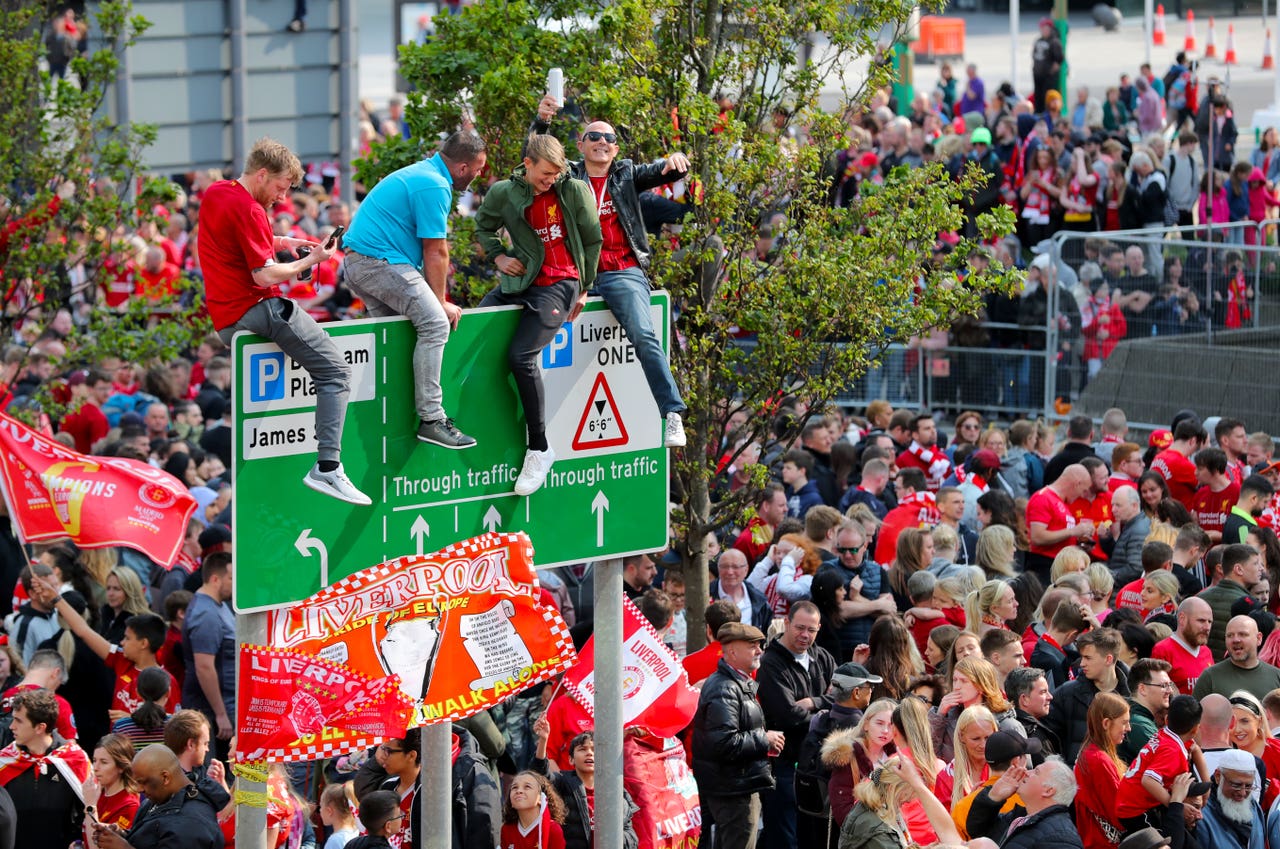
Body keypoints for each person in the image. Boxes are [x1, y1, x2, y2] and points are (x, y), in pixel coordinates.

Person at [197, 137, 370, 504]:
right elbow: (264, 276)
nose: (281, 197)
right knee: (336, 372)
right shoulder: (251, 209)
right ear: (262, 175)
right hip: (257, 308)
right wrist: (312, 259)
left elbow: (238, 241)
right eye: (280, 187)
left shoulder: (217, 192)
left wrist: (285, 241)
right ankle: (327, 468)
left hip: (225, 318)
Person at [532, 97, 690, 448]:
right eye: (594, 136)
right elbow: (534, 158)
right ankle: (536, 439)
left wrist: (677, 163)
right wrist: (542, 121)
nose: (601, 141)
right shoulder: (567, 176)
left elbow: (663, 170)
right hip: (576, 274)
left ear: (615, 148)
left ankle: (672, 413)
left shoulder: (626, 174)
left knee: (643, 334)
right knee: (532, 333)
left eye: (609, 137)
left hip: (621, 272)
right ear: (580, 145)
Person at [474, 134, 602, 497]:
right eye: (545, 174)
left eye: (556, 173)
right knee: (469, 335)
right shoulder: (504, 192)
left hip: (560, 282)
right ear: (527, 164)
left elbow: (592, 240)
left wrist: (585, 286)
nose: (551, 180)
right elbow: (483, 226)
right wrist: (498, 256)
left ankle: (540, 448)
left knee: (521, 356)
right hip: (520, 280)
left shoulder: (573, 190)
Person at [342, 131, 488, 449]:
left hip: (363, 263)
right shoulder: (434, 184)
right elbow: (436, 251)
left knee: (398, 336)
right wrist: (441, 302)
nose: (477, 177)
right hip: (377, 263)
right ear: (463, 167)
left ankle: (389, 419)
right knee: (435, 323)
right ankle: (432, 419)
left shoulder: (425, 173)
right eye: (477, 170)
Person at [690, 622, 783, 849]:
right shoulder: (726, 688)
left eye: (759, 645)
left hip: (735, 785)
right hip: (733, 790)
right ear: (732, 651)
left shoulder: (734, 683)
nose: (760, 651)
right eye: (752, 646)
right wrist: (764, 739)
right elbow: (723, 742)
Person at [757, 602, 835, 849]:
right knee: (784, 836)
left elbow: (842, 698)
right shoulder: (770, 662)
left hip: (817, 764)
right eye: (800, 628)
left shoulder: (821, 657)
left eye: (811, 630)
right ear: (787, 623)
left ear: (819, 629)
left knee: (811, 836)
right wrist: (827, 713)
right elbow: (787, 715)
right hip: (784, 763)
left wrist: (814, 701)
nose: (805, 635)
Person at [0, 688, 89, 849]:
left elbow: (91, 810)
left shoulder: (75, 760)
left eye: (18, 721)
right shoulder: (5, 760)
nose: (11, 726)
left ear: (40, 727)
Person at [91, 745, 223, 849]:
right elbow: (152, 840)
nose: (139, 789)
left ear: (165, 778)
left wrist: (123, 847)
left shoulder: (191, 823)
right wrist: (122, 835)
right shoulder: (157, 800)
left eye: (143, 782)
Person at [531, 722, 639, 849]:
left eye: (595, 749)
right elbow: (541, 775)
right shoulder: (563, 783)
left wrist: (611, 838)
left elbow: (632, 839)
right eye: (582, 749)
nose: (589, 753)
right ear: (571, 759)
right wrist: (543, 740)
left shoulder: (617, 791)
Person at [1114, 695, 1204, 834]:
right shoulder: (1172, 751)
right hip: (1134, 810)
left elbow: (1194, 748)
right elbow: (1148, 780)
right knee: (1161, 842)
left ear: (1167, 719)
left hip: (1137, 801)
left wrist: (1207, 784)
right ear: (1196, 729)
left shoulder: (1167, 734)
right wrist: (1175, 805)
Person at [1043, 628, 1132, 765]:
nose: (1082, 663)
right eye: (1082, 657)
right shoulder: (1067, 693)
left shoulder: (1134, 694)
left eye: (1088, 658)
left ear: (1108, 659)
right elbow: (1048, 738)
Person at [180, 553, 235, 759]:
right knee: (208, 771)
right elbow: (204, 667)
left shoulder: (219, 606)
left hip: (223, 705)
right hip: (210, 711)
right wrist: (220, 714)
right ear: (215, 579)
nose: (234, 584)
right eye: (231, 578)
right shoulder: (206, 614)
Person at [964, 757, 1083, 849]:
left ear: (1048, 790)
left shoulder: (1061, 838)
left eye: (1036, 772)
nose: (1026, 772)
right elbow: (977, 830)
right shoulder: (1020, 817)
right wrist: (993, 797)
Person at [1074, 693, 1131, 849]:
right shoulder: (1098, 759)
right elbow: (1119, 812)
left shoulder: (1090, 752)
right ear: (1106, 723)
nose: (1128, 728)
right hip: (1103, 843)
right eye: (1124, 723)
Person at [1193, 615, 1280, 702]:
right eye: (1230, 635)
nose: (1235, 640)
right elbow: (1194, 714)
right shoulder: (1210, 677)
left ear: (1259, 638)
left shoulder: (1276, 676)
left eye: (1242, 634)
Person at [1199, 544, 1264, 660]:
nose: (1261, 568)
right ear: (1238, 569)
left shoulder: (1200, 598)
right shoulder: (1249, 605)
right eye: (1255, 563)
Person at [1198, 748, 1266, 849]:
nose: (1242, 793)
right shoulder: (1201, 813)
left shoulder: (1254, 807)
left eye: (1248, 786)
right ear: (1218, 777)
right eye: (1236, 785)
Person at [1120, 659, 1175, 763]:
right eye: (1164, 686)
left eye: (1170, 685)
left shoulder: (1138, 719)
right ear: (1142, 689)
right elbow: (1169, 762)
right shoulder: (1139, 725)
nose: (1170, 691)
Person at [500, 771, 567, 849]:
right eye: (514, 787)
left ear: (541, 798)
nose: (519, 791)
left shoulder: (552, 830)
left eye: (527, 787)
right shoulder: (506, 829)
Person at [1008, 666, 1060, 755]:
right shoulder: (1032, 735)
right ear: (1025, 699)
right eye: (1043, 692)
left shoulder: (1010, 726)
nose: (1050, 697)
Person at [319, 783, 359, 849]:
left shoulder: (334, 841)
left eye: (321, 806)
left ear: (329, 811)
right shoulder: (358, 832)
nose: (320, 810)